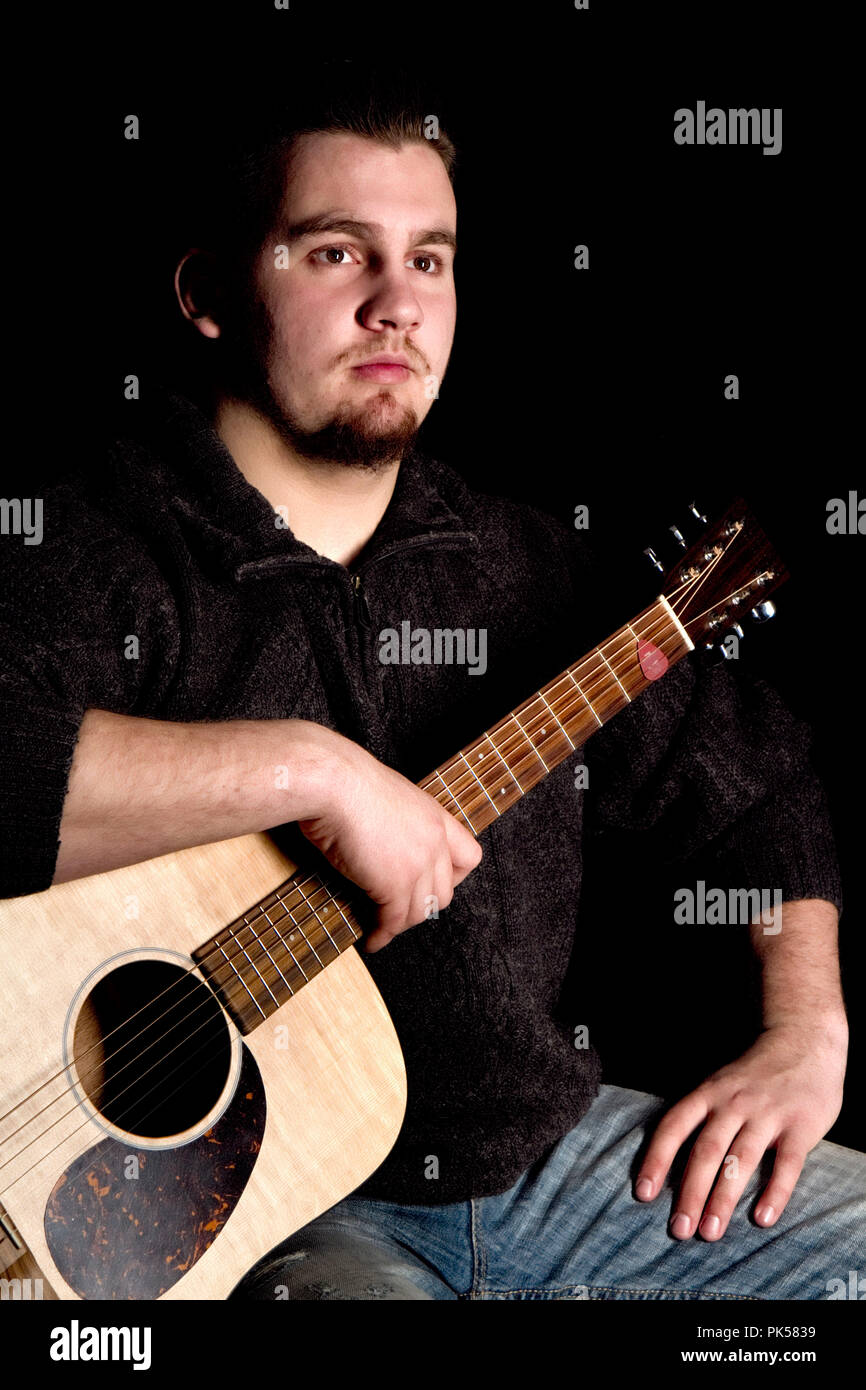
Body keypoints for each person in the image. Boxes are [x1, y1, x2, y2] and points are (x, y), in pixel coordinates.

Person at [1, 66, 862, 1300]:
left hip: (552, 1171)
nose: (394, 306)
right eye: (336, 254)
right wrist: (317, 774)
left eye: (430, 260)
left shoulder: (526, 570)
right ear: (209, 293)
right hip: (258, 1211)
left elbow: (756, 786)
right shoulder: (93, 553)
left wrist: (803, 1036)